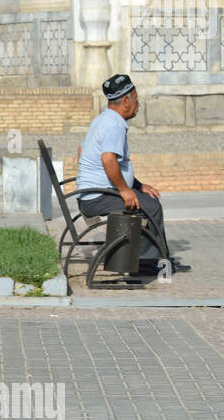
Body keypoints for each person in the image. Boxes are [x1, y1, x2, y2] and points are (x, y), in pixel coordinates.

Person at [75, 74, 190, 274]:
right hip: (96, 197)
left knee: (147, 199)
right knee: (151, 207)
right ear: (126, 101)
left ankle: (157, 259)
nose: (138, 104)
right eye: (136, 99)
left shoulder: (102, 120)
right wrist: (124, 190)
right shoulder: (115, 125)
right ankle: (147, 264)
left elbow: (82, 152)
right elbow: (108, 160)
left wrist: (136, 186)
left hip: (93, 193)